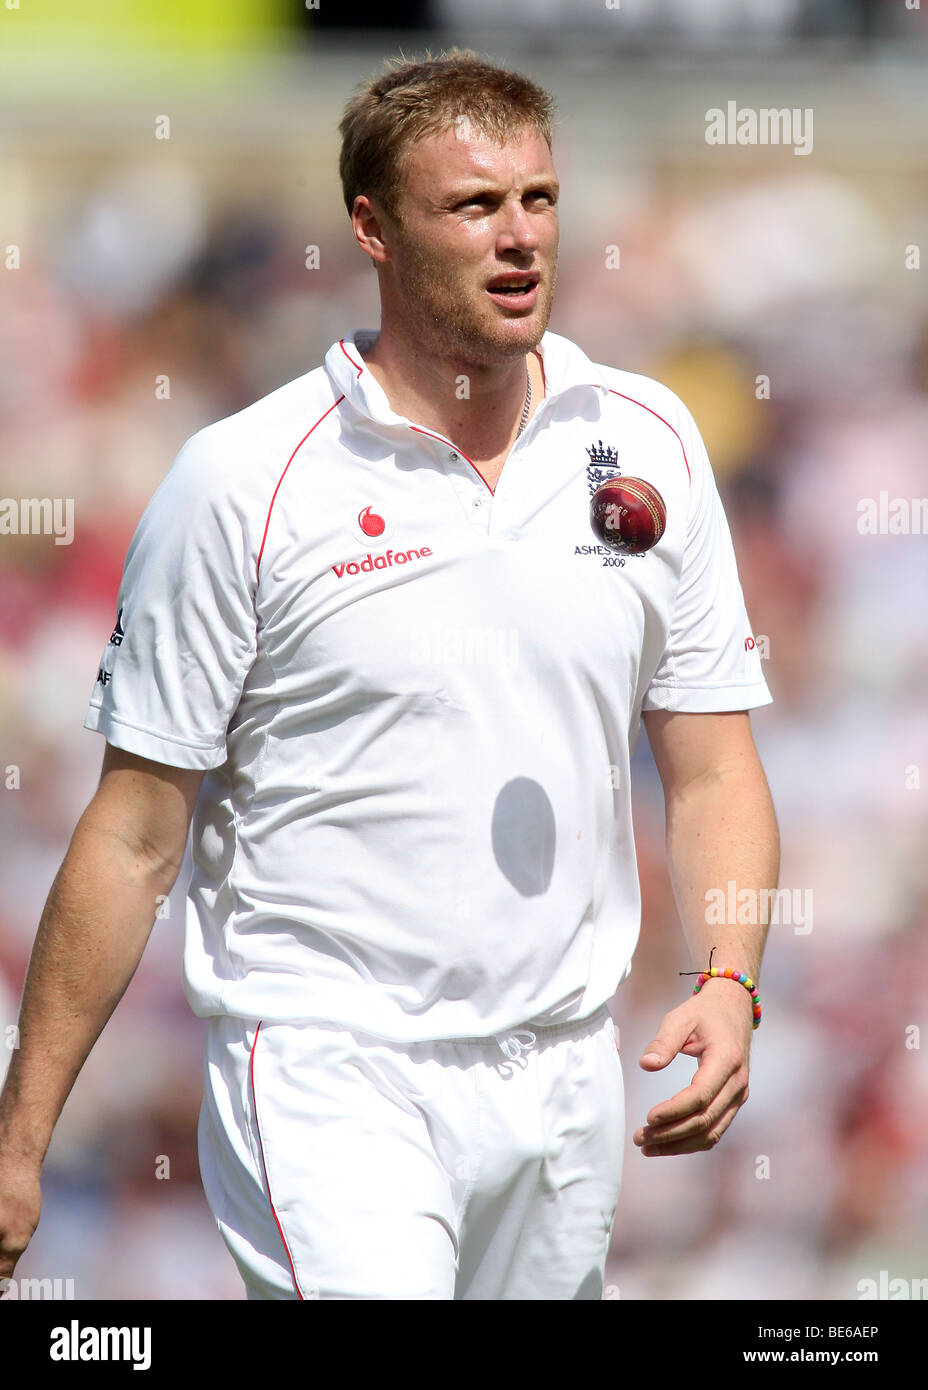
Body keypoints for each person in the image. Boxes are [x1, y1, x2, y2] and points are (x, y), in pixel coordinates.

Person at [0, 48, 779, 1301]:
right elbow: (135, 834)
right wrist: (18, 1141)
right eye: (473, 206)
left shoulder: (644, 436)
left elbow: (713, 765)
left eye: (539, 199)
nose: (519, 237)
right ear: (371, 227)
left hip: (563, 1071)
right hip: (327, 1065)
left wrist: (731, 979)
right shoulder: (244, 481)